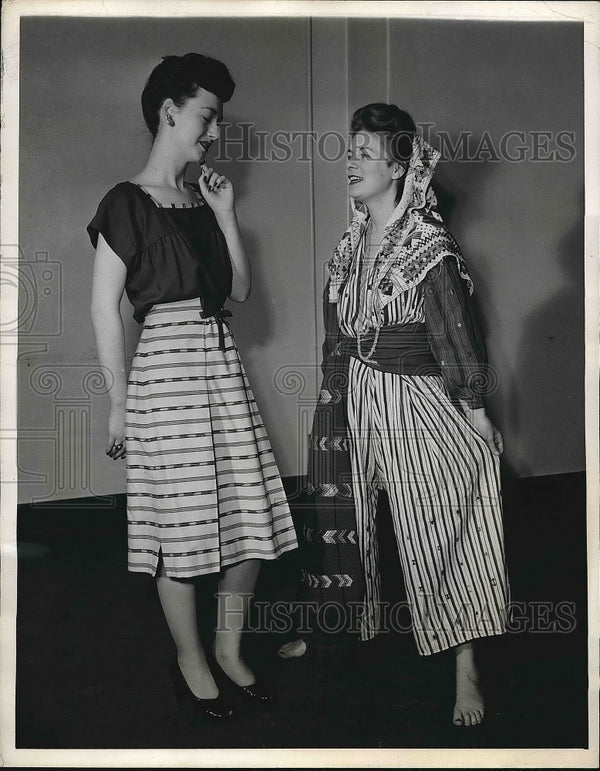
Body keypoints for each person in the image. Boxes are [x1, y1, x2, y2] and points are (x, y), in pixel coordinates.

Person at [88, 53, 298, 720]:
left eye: (219, 119)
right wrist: (119, 402)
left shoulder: (204, 201)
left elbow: (236, 289)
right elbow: (103, 309)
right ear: (169, 111)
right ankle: (191, 659)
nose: (213, 131)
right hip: (165, 374)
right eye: (207, 115)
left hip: (220, 364)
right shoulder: (124, 202)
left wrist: (226, 213)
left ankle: (230, 648)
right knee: (178, 534)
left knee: (252, 525)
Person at [298, 103, 510, 727]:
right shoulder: (350, 243)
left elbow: (454, 334)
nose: (351, 161)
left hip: (416, 400)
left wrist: (475, 412)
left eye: (365, 151)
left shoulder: (427, 247)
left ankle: (464, 665)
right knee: (345, 520)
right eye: (350, 148)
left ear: (399, 166)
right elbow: (338, 332)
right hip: (355, 396)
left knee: (443, 523)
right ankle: (338, 632)